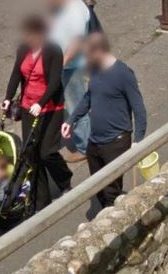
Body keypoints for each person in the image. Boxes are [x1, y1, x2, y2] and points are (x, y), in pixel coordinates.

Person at [61, 32, 147, 211]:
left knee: (110, 193)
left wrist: (138, 140)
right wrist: (71, 120)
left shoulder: (123, 74)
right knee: (97, 185)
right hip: (96, 140)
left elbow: (139, 109)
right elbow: (88, 98)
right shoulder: (95, 69)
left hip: (116, 141)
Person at [2, 15, 71, 210]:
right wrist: (8, 98)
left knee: (47, 152)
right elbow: (16, 74)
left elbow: (55, 81)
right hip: (28, 106)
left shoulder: (53, 51)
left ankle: (64, 179)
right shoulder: (23, 49)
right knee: (32, 153)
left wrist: (41, 103)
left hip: (50, 108)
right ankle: (41, 200)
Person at [45, 0, 98, 163]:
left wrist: (59, 65)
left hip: (70, 67)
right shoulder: (65, 5)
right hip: (62, 63)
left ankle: (84, 147)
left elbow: (75, 43)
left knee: (76, 104)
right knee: (66, 102)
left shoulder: (75, 10)